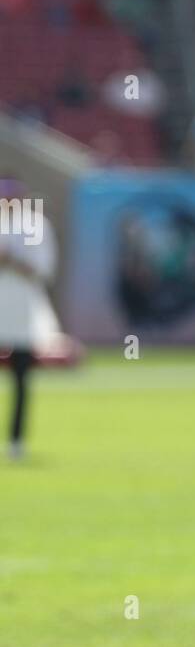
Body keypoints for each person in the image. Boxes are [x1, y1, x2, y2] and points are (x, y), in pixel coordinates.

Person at [0, 178, 59, 459]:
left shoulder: (35, 226)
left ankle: (16, 441)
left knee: (21, 377)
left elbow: (44, 268)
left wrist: (13, 261)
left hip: (22, 311)